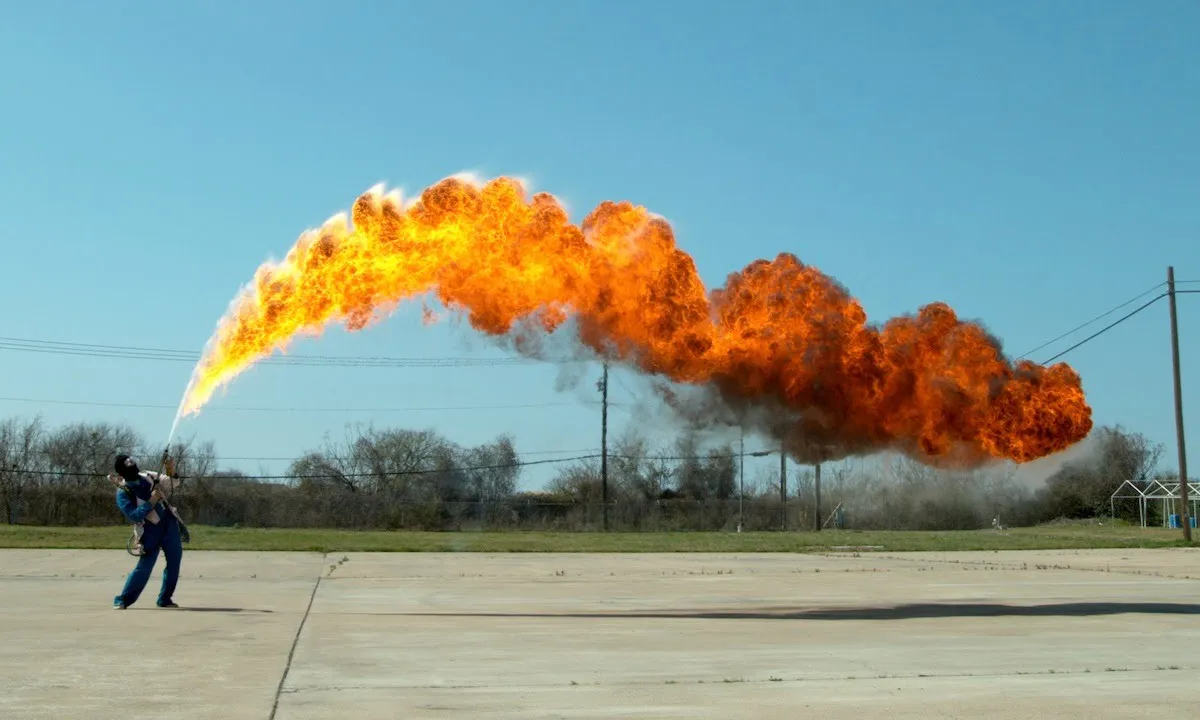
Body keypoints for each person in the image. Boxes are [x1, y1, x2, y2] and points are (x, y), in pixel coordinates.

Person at [109, 453, 185, 609]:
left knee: (174, 562)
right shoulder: (123, 493)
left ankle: (165, 599)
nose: (133, 466)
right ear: (122, 472)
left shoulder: (149, 475)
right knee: (145, 566)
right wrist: (151, 501)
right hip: (149, 530)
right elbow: (134, 515)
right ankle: (123, 599)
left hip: (169, 523)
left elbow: (173, 482)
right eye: (128, 465)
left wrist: (170, 469)